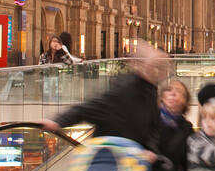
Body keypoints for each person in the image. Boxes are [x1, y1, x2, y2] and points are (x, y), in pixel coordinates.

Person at [41, 42, 169, 153]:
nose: (161, 73)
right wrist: (58, 122)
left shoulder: (151, 91)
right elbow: (91, 107)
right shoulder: (126, 89)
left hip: (132, 159)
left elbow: (153, 128)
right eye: (157, 67)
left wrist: (150, 151)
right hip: (113, 159)